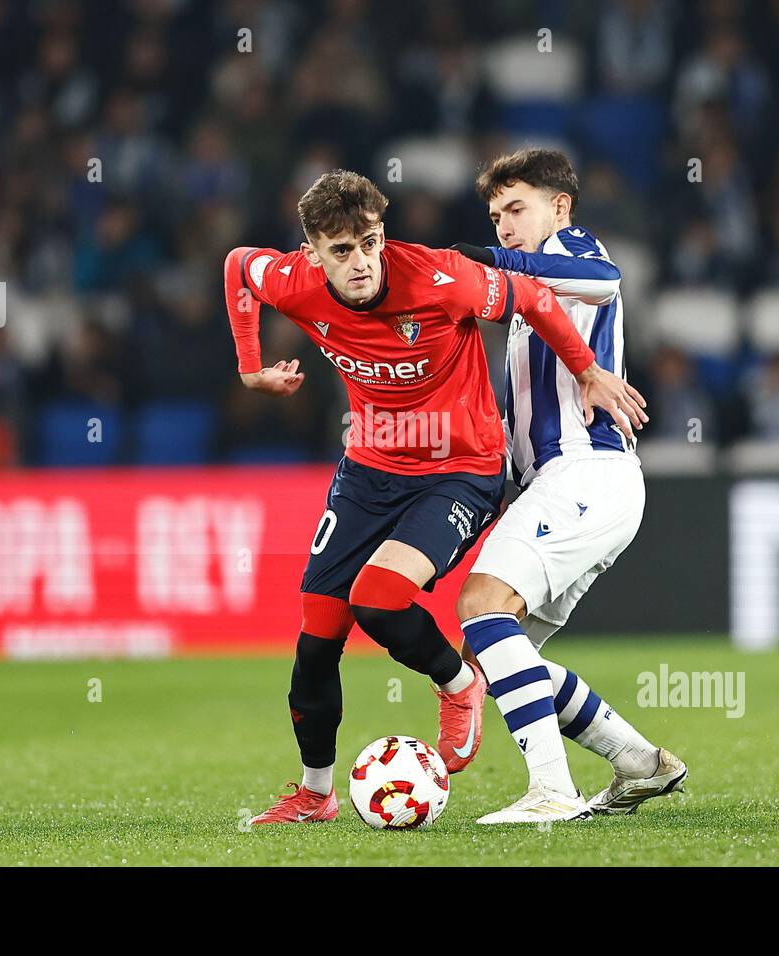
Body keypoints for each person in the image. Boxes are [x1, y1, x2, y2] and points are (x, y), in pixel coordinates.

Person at [222, 169, 645, 824]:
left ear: (382, 235)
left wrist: (588, 371)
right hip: (368, 470)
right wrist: (250, 365)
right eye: (341, 251)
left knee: (380, 600)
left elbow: (533, 296)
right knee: (316, 638)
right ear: (312, 255)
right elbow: (238, 267)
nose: (360, 262)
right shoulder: (293, 282)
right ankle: (315, 793)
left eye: (368, 243)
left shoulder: (442, 276)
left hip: (460, 468)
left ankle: (458, 683)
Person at [452, 148, 686, 823]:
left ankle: (551, 792)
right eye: (494, 217)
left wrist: (486, 259)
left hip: (587, 472)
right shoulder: (530, 308)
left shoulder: (571, 249)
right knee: (490, 653)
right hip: (566, 486)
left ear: (559, 207)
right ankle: (642, 762)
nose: (503, 226)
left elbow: (606, 279)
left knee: (483, 604)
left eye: (515, 209)